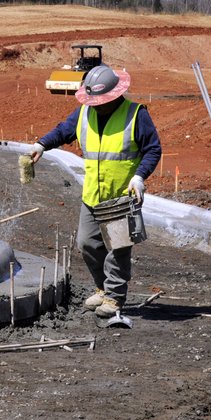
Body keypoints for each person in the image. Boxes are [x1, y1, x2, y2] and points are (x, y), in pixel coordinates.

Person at [30, 64, 161, 324]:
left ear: (115, 95)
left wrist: (139, 177)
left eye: (101, 101)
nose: (97, 106)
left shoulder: (136, 115)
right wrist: (42, 144)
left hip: (121, 196)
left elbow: (153, 149)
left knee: (118, 249)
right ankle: (102, 288)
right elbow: (63, 130)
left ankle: (114, 297)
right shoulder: (84, 112)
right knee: (87, 243)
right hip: (92, 194)